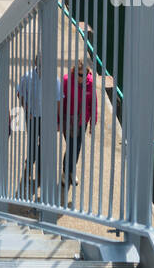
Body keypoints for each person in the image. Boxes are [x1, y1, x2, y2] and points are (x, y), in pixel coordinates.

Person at [16, 57, 61, 198]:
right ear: (36, 64)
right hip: (32, 116)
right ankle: (30, 163)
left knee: (44, 145)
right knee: (32, 142)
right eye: (40, 64)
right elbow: (20, 94)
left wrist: (56, 119)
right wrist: (26, 109)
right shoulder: (27, 77)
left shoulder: (54, 79)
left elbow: (58, 99)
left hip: (47, 118)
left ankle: (40, 171)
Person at [60, 58, 97, 190]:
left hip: (82, 121)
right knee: (71, 145)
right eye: (80, 75)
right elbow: (61, 101)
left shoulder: (90, 82)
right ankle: (65, 171)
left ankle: (71, 170)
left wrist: (93, 122)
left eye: (85, 74)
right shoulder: (66, 81)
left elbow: (94, 102)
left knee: (77, 147)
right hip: (68, 119)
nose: (83, 77)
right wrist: (59, 120)